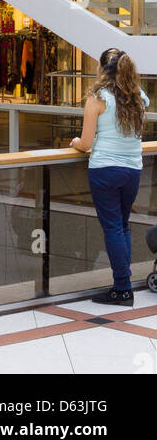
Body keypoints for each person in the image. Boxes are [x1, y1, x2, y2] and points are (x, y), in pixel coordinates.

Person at [70, 47, 151, 305]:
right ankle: (123, 283)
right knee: (123, 225)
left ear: (103, 69)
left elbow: (85, 142)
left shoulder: (97, 98)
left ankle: (123, 288)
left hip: (105, 169)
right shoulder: (138, 96)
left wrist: (75, 143)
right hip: (133, 170)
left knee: (113, 228)